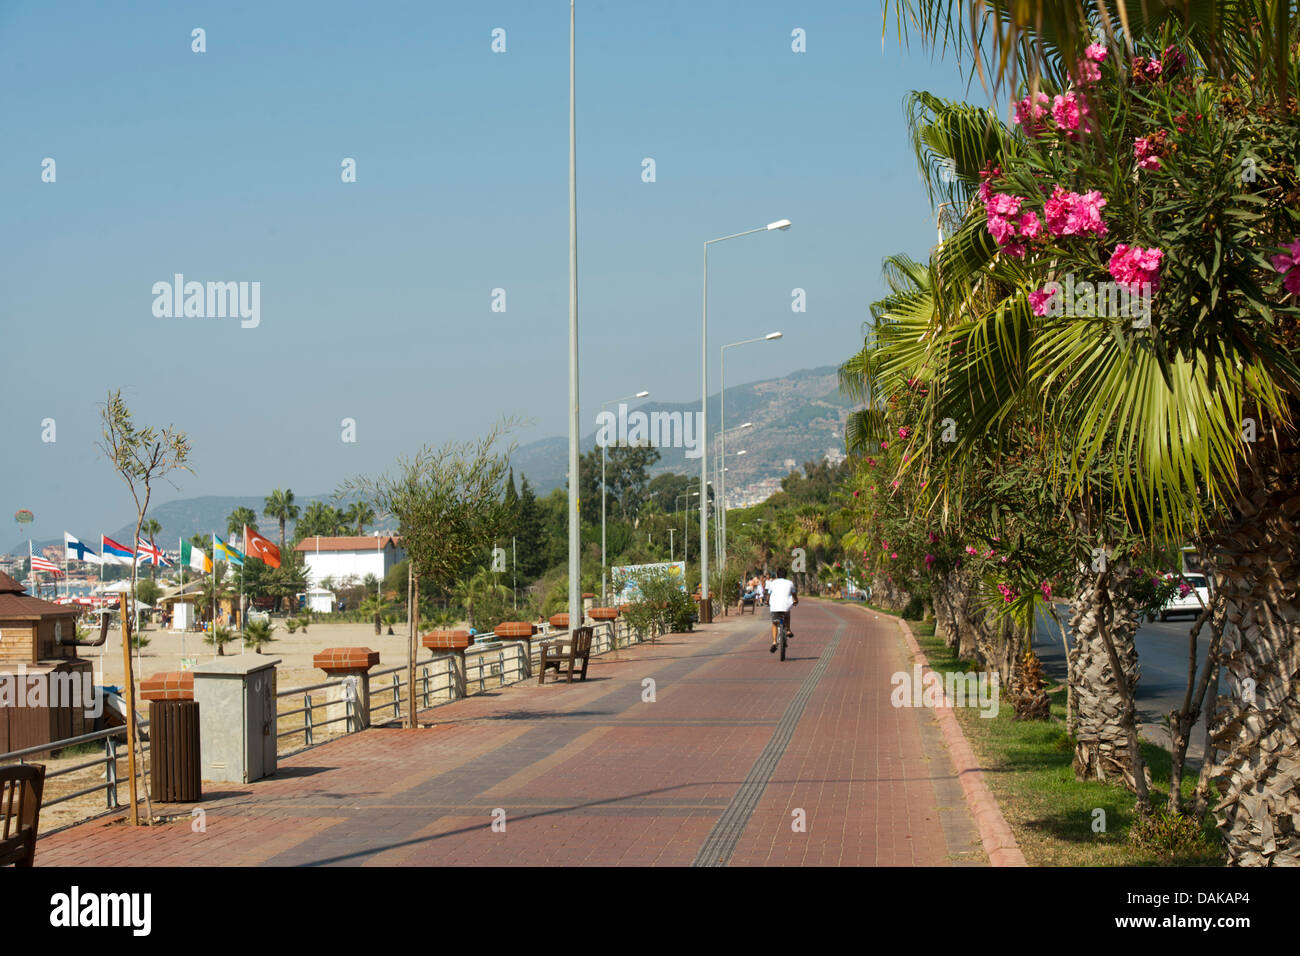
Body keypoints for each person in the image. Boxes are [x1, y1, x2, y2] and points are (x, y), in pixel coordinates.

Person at [767, 568, 797, 653]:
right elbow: (794, 594)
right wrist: (796, 601)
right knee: (787, 614)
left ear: (777, 575)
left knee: (774, 623)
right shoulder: (790, 583)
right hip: (786, 606)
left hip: (775, 606)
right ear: (785, 575)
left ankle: (774, 641)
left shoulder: (772, 583)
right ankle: (788, 630)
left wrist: (766, 601)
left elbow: (768, 595)